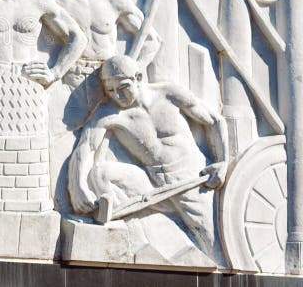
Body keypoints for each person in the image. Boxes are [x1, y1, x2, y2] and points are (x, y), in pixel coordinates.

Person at [68, 55, 229, 256]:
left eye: (123, 87)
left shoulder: (168, 93)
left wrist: (223, 161)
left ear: (138, 77)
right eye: (110, 90)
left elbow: (215, 121)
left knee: (213, 246)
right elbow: (86, 147)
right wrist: (78, 186)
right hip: (153, 183)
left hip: (193, 181)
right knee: (100, 173)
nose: (117, 95)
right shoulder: (107, 112)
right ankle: (130, 238)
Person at [48, 0, 162, 130]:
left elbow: (152, 40)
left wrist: (132, 70)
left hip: (110, 86)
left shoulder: (114, 1)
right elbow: (23, 1)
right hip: (72, 80)